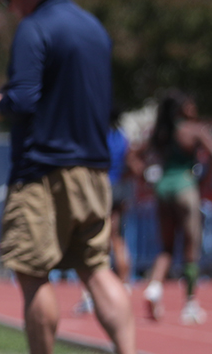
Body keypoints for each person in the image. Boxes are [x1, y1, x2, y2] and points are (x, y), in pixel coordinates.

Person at [0, 0, 135, 354]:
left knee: (32, 274)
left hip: (43, 171)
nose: (11, 8)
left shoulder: (34, 29)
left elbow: (25, 100)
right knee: (97, 269)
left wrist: (1, 105)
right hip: (95, 170)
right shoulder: (92, 27)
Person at [132, 91, 212, 325]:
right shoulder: (194, 130)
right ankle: (190, 304)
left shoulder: (160, 132)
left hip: (162, 189)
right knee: (191, 247)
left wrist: (145, 176)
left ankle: (154, 288)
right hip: (185, 188)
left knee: (166, 248)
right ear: (183, 109)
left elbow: (134, 155)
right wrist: (205, 180)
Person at [75, 105, 134, 316]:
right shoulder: (122, 136)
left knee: (94, 239)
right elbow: (131, 163)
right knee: (116, 238)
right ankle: (125, 284)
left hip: (101, 188)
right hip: (119, 188)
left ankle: (90, 294)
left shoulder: (99, 135)